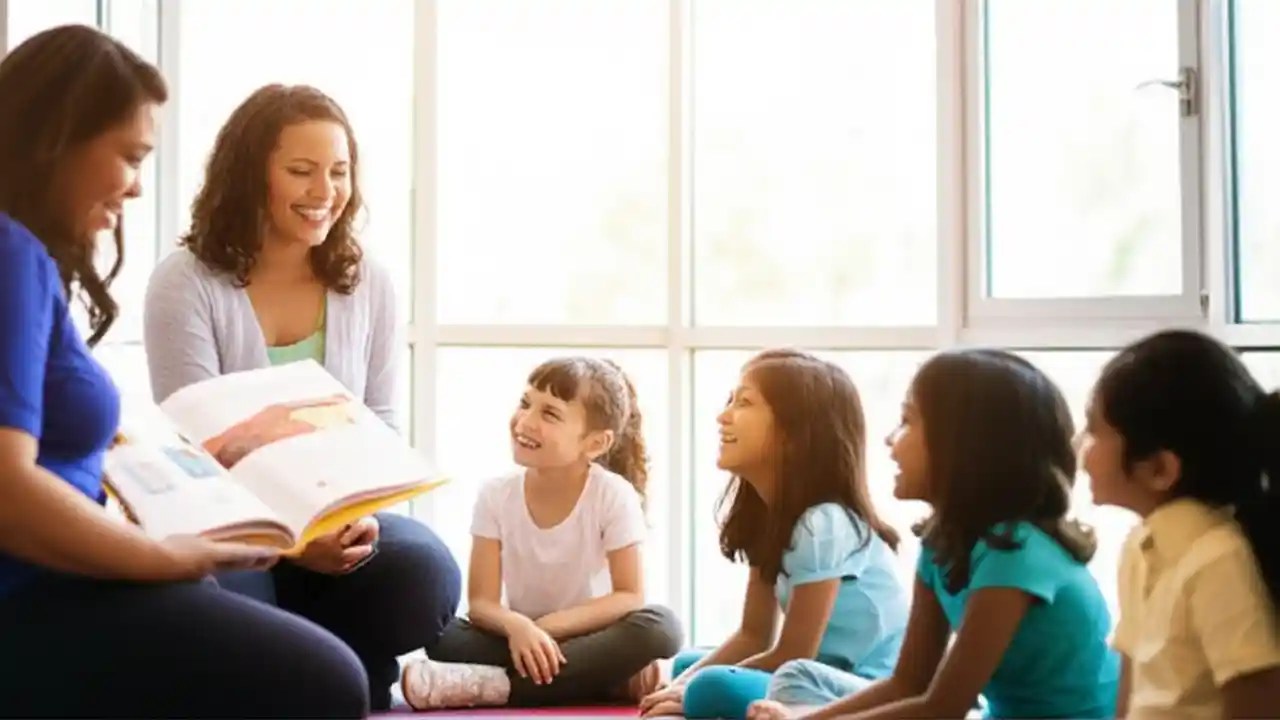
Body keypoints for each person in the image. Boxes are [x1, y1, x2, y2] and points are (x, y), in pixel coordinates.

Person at [0, 25, 369, 718]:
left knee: (403, 581)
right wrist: (168, 557)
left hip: (67, 575)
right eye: (130, 156)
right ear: (60, 140)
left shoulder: (26, 259)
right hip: (32, 595)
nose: (138, 187)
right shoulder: (9, 255)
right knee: (325, 683)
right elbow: (7, 492)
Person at [142, 83, 460, 711]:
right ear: (249, 173)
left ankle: (317, 660)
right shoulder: (184, 282)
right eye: (301, 171)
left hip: (336, 520)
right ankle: (332, 664)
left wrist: (356, 514)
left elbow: (379, 424)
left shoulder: (368, 280)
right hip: (235, 531)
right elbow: (195, 452)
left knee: (427, 576)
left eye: (339, 172)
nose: (325, 192)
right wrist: (291, 541)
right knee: (231, 618)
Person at [749, 349, 1120, 720]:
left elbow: (943, 708)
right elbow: (909, 682)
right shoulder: (941, 543)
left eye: (907, 421)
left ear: (962, 445)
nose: (890, 440)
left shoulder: (1016, 551)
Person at [639, 349, 909, 720]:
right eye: (730, 401)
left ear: (793, 434)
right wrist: (676, 686)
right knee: (691, 663)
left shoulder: (824, 524)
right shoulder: (771, 520)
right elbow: (753, 635)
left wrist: (689, 689)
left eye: (744, 402)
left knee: (710, 686)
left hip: (863, 684)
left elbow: (793, 654)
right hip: (812, 670)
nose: (723, 416)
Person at [401, 357, 683, 709]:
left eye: (549, 414)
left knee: (661, 627)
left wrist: (545, 629)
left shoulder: (612, 494)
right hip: (518, 635)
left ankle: (498, 686)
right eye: (525, 403)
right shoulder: (495, 494)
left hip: (587, 634)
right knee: (443, 636)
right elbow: (482, 604)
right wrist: (520, 628)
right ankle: (594, 678)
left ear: (595, 443)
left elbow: (628, 595)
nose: (525, 421)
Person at [1079, 330, 1280, 719]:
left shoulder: (1218, 560)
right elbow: (1133, 688)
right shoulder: (1141, 546)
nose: (1081, 447)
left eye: (1095, 431)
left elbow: (1258, 702)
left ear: (1160, 469)